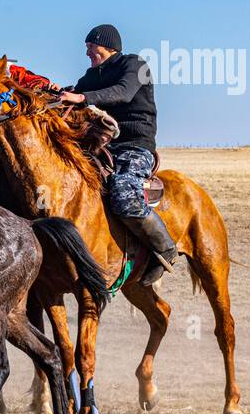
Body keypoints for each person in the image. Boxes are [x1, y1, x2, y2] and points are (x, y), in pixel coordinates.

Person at [59, 23, 178, 285]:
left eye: (92, 48)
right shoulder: (93, 75)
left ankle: (166, 249)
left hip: (135, 145)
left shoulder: (135, 65)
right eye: (87, 49)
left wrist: (81, 99)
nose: (88, 53)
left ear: (109, 46)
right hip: (102, 145)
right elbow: (74, 92)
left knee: (124, 193)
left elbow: (122, 93)